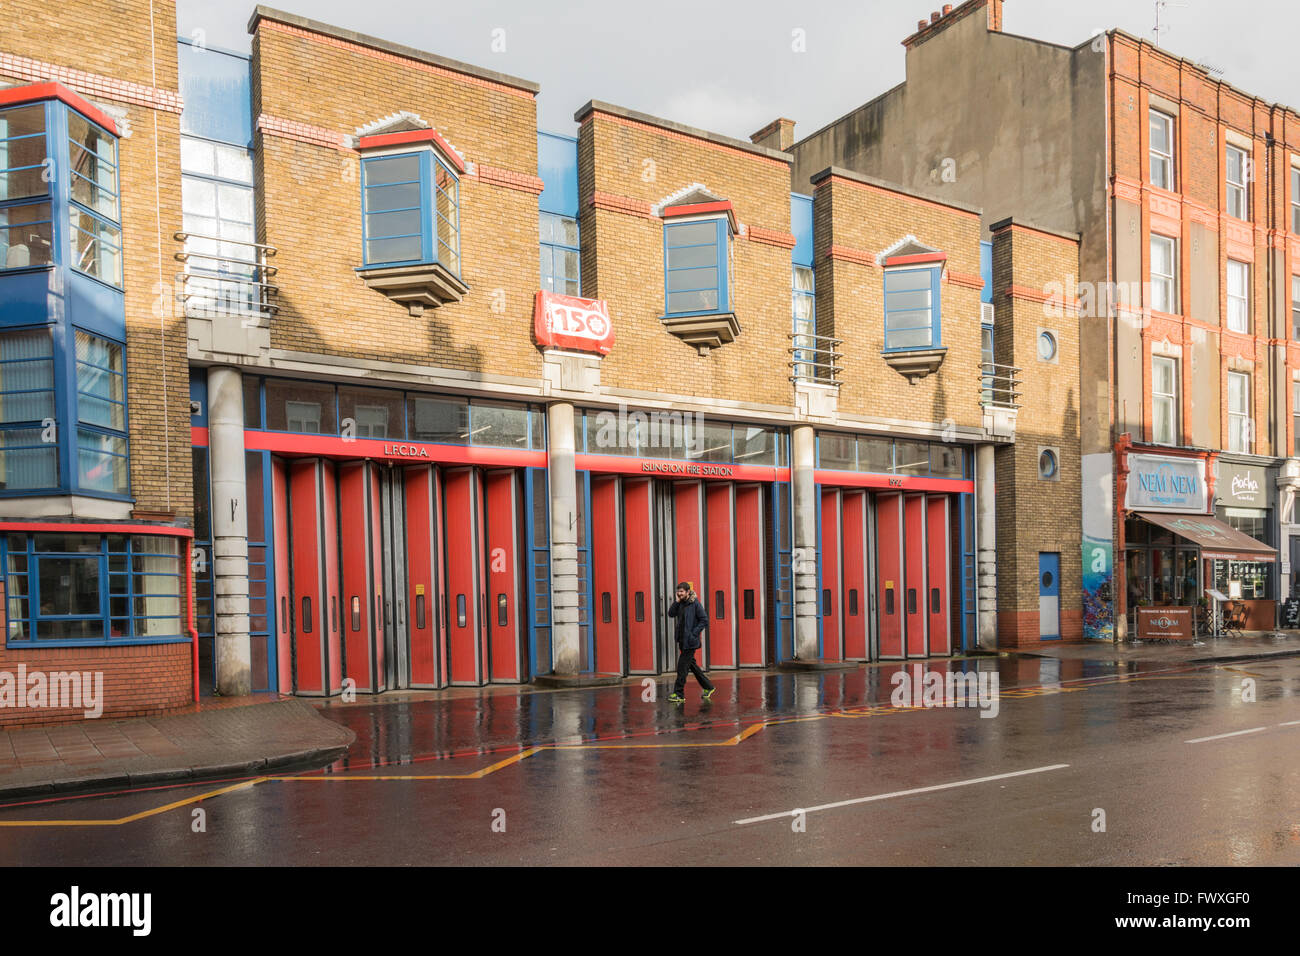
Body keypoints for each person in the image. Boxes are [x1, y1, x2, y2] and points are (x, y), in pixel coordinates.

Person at [667, 581, 714, 703]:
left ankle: (679, 694)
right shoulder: (681, 603)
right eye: (678, 591)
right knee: (692, 666)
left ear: (688, 592)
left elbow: (704, 620)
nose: (679, 593)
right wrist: (677, 601)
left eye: (681, 591)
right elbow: (671, 614)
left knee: (682, 667)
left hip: (691, 641)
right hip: (682, 640)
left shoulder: (695, 604)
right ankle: (708, 687)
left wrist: (694, 633)